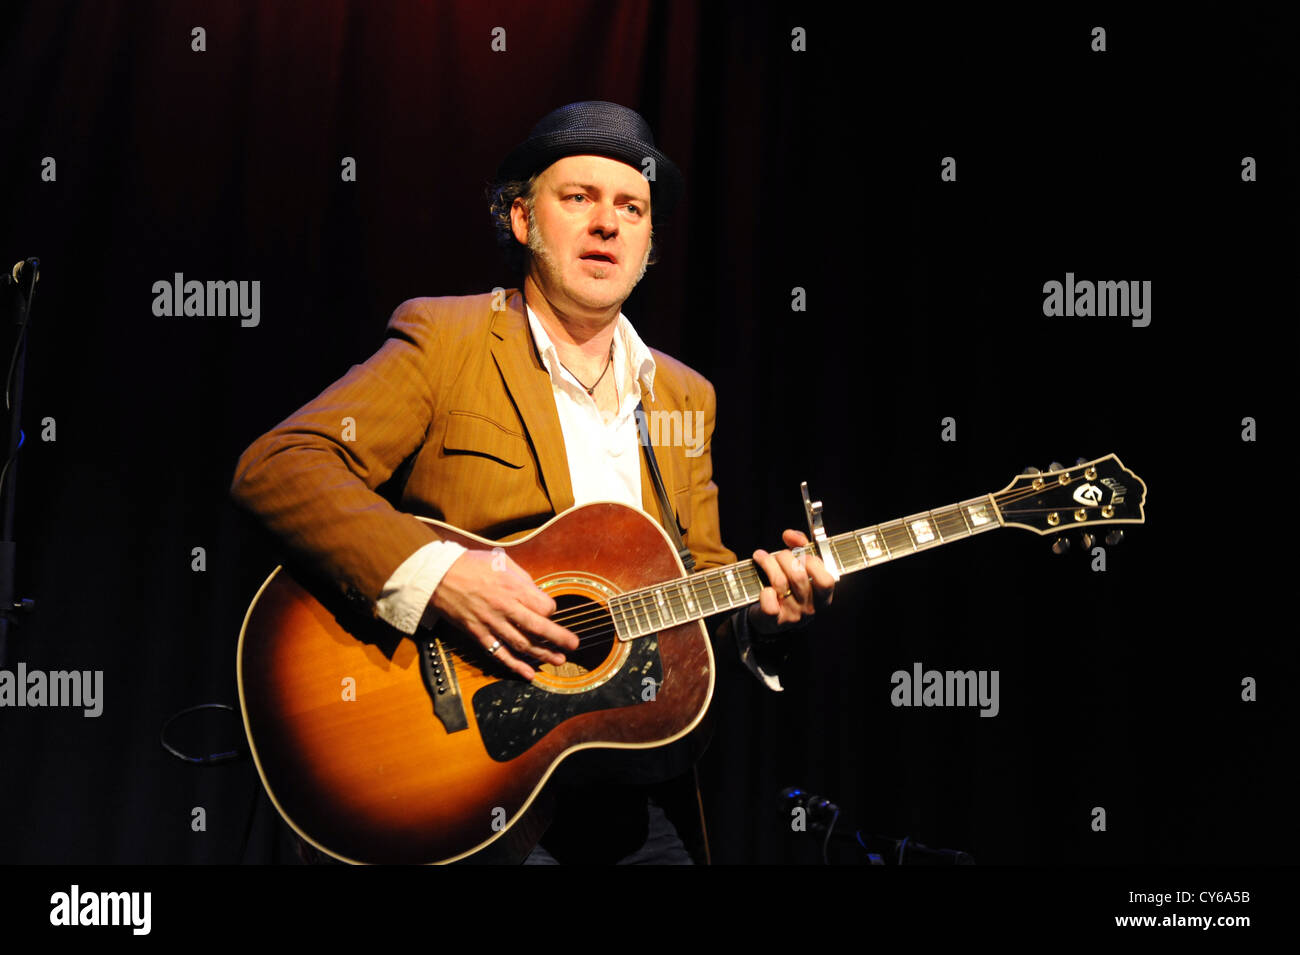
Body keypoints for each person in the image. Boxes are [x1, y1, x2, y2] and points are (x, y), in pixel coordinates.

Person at [230, 101, 835, 864]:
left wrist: (759, 616)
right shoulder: (447, 339)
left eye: (632, 207)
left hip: (631, 789)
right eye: (579, 197)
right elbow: (282, 464)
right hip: (465, 770)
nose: (608, 223)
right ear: (521, 219)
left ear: (649, 241)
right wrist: (441, 576)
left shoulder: (685, 396)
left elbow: (698, 584)